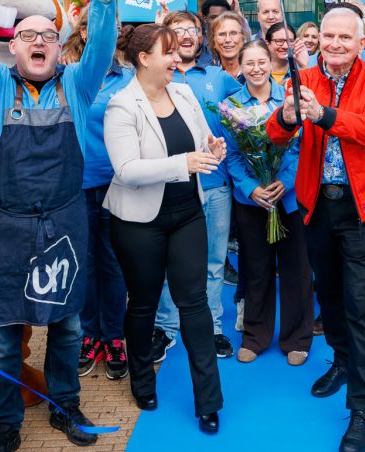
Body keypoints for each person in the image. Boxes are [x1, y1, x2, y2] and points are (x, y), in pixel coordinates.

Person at [0, 0, 119, 452]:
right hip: (3, 228)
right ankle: (5, 424)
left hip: (64, 224)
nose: (39, 43)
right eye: (28, 35)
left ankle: (64, 405)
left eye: (48, 37)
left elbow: (101, 46)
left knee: (68, 329)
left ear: (59, 48)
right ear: (14, 46)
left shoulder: (77, 86)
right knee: (3, 336)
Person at [266, 4, 365, 452]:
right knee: (331, 293)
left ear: (362, 42)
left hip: (362, 209)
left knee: (361, 304)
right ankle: (341, 358)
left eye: (345, 37)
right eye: (329, 36)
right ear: (319, 40)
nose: (336, 44)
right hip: (317, 207)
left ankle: (362, 409)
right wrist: (285, 116)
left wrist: (323, 116)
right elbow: (275, 134)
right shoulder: (303, 78)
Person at [103, 24, 227, 434]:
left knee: (195, 305)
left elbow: (202, 140)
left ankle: (208, 400)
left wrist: (213, 148)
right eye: (169, 53)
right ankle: (142, 380)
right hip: (138, 223)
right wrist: (184, 164)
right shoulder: (122, 106)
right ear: (144, 59)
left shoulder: (186, 93)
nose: (178, 59)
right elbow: (127, 170)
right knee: (142, 305)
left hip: (188, 214)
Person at [151, 11, 245, 361]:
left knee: (213, 262)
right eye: (177, 31)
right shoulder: (156, 75)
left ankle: (213, 328)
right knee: (168, 261)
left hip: (215, 184)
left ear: (202, 38)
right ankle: (167, 327)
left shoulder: (219, 77)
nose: (186, 36)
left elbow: (256, 102)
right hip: (169, 184)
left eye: (192, 30)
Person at [223, 40, 313, 365]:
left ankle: (297, 338)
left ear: (271, 60)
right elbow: (232, 156)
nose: (257, 69)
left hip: (288, 199)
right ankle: (255, 335)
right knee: (256, 270)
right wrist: (250, 188)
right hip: (252, 203)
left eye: (262, 61)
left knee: (296, 270)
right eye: (250, 63)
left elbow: (304, 149)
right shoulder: (231, 104)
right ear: (241, 66)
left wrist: (284, 183)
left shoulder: (291, 97)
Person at [76, 40, 134, 381]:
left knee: (113, 264)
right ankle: (89, 336)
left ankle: (113, 337)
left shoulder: (127, 79)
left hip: (117, 184)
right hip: (76, 187)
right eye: (88, 29)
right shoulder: (67, 75)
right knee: (84, 265)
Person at [209, 10, 248, 79]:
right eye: (222, 34)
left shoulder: (256, 72)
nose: (228, 40)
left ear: (243, 38)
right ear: (214, 42)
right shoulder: (207, 75)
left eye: (233, 33)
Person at [265, 22, 296, 86]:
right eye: (279, 41)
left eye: (290, 41)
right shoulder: (258, 70)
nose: (285, 46)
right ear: (268, 43)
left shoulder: (300, 70)